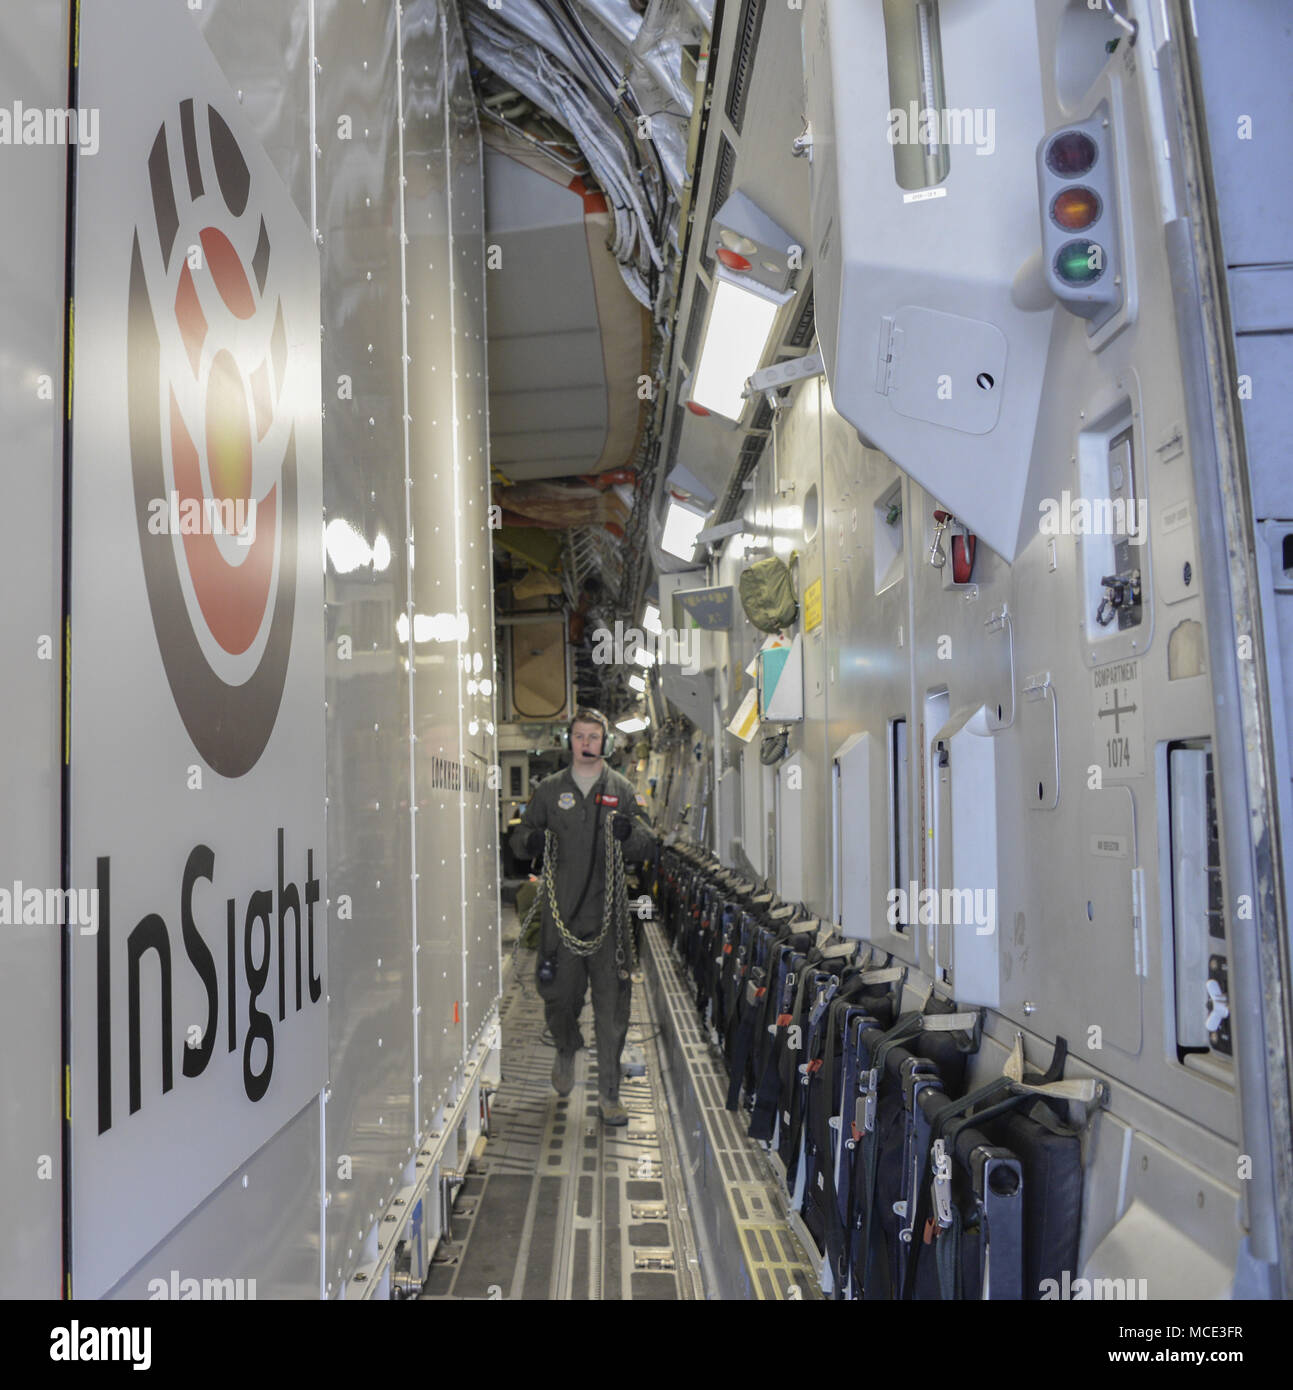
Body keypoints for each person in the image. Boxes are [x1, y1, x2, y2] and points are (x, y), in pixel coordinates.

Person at [511, 708, 653, 1125]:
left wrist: (633, 835)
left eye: (594, 736)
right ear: (569, 741)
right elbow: (519, 839)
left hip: (610, 927)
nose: (586, 743)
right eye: (579, 736)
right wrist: (530, 839)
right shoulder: (551, 791)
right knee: (557, 999)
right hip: (562, 922)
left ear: (605, 742)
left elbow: (648, 844)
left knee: (613, 1013)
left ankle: (609, 1095)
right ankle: (565, 1046)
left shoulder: (623, 791)